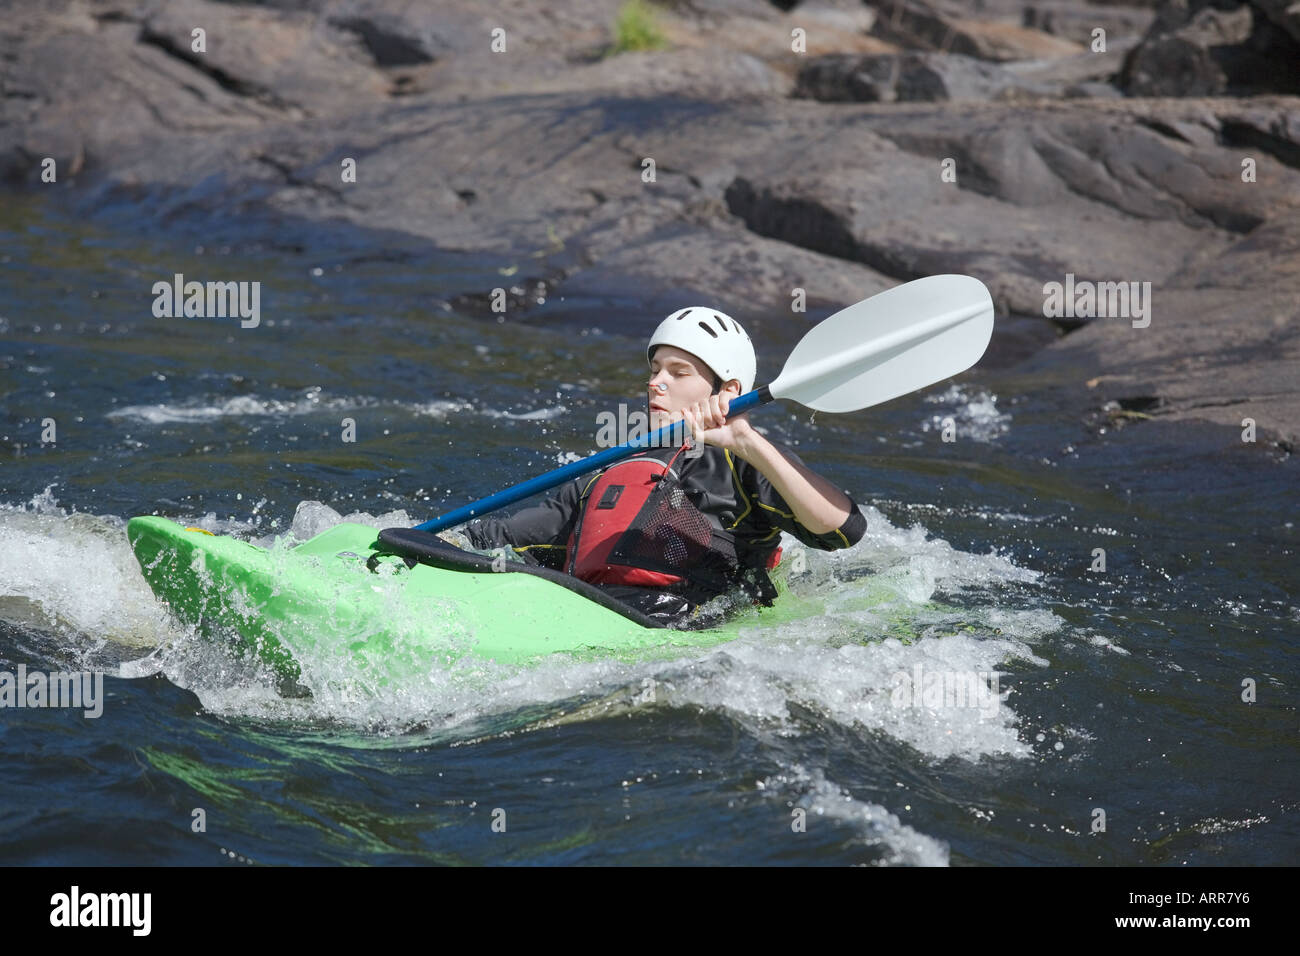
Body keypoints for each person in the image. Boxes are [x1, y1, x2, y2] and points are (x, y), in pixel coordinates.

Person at [459, 306, 867, 626]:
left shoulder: (748, 462)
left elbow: (842, 530)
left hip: (703, 635)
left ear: (728, 390)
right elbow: (498, 541)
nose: (656, 383)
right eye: (655, 371)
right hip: (601, 620)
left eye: (678, 372)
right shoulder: (608, 472)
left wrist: (746, 441)